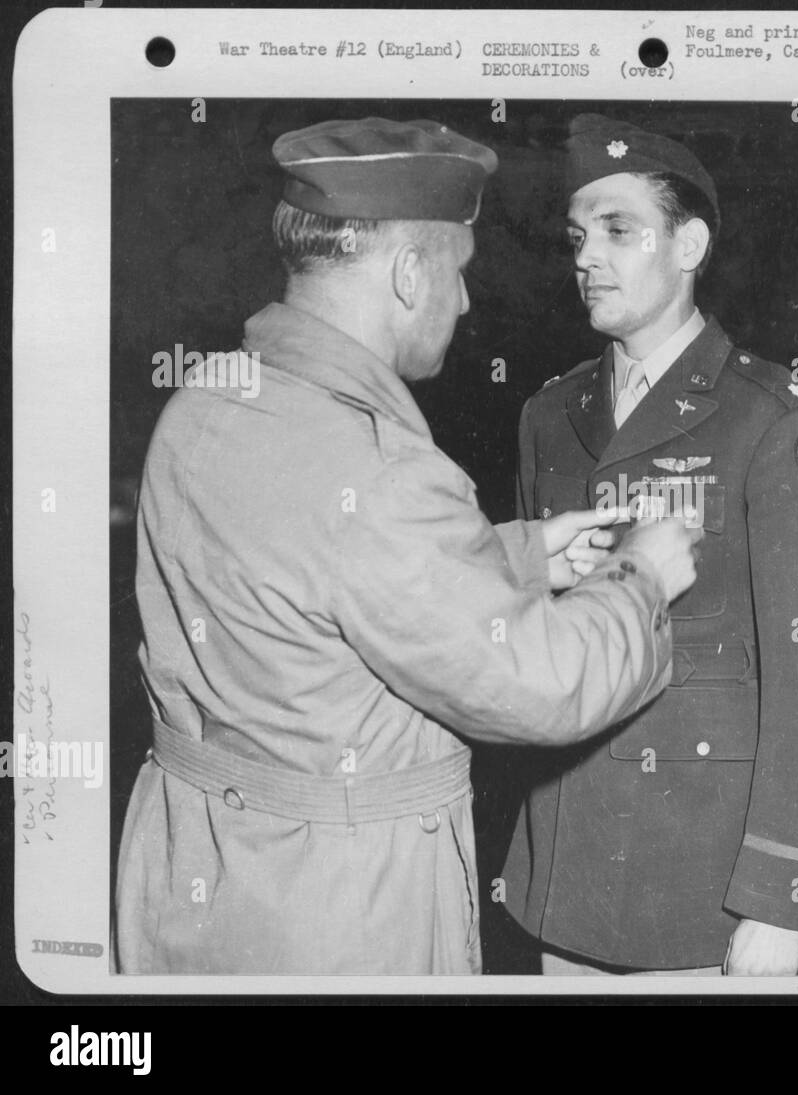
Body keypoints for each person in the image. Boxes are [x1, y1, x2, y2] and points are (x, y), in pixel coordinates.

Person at [114, 116, 700, 975]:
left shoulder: (206, 401)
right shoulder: (381, 474)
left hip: (192, 871)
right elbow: (545, 684)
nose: (464, 303)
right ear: (408, 273)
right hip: (337, 909)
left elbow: (317, 583)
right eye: (457, 275)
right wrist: (639, 576)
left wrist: (526, 555)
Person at [501, 114, 798, 975]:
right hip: (566, 867)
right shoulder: (548, 418)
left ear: (690, 243)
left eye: (619, 230)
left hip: (697, 886)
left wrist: (779, 896)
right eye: (578, 235)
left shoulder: (770, 422)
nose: (587, 255)